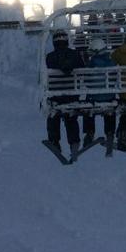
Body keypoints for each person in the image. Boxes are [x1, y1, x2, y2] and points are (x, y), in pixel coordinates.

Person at [45, 29, 84, 160]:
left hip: (55, 95)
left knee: (53, 115)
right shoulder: (75, 55)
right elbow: (83, 70)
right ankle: (74, 143)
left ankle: (54, 141)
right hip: (72, 95)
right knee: (70, 117)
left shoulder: (50, 57)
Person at [80, 35, 117, 150]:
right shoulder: (112, 63)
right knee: (110, 107)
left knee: (88, 104)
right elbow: (115, 79)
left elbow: (86, 81)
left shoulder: (91, 64)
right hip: (109, 96)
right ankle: (110, 132)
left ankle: (89, 132)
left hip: (94, 98)